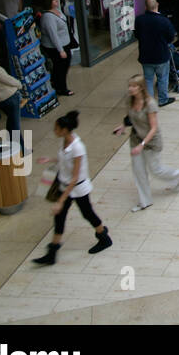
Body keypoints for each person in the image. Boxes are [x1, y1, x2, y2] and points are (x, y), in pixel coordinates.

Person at [31, 111, 112, 266]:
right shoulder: (65, 142)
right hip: (66, 185)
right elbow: (65, 160)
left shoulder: (77, 147)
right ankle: (52, 253)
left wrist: (61, 201)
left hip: (77, 188)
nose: (54, 131)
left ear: (65, 130)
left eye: (56, 128)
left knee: (87, 213)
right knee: (59, 218)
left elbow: (75, 177)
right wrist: (51, 159)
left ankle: (103, 237)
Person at [113, 75, 179, 212]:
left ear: (140, 87)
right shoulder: (129, 100)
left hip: (151, 142)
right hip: (136, 139)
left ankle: (176, 175)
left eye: (133, 86)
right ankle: (145, 201)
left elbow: (153, 128)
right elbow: (130, 118)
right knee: (138, 171)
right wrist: (122, 126)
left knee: (156, 170)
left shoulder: (150, 104)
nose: (130, 89)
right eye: (129, 86)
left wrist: (142, 145)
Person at [132, 0, 176, 107]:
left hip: (146, 56)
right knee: (162, 78)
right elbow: (171, 37)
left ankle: (149, 103)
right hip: (161, 55)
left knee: (148, 79)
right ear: (157, 5)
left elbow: (136, 34)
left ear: (145, 7)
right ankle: (163, 99)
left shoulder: (139, 20)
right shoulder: (164, 21)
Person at [38, 0, 74, 98]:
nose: (56, 1)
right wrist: (60, 50)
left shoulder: (56, 10)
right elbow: (53, 35)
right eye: (54, 0)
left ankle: (56, 82)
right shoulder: (48, 17)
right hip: (56, 47)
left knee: (64, 65)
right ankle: (62, 88)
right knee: (61, 67)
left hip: (65, 43)